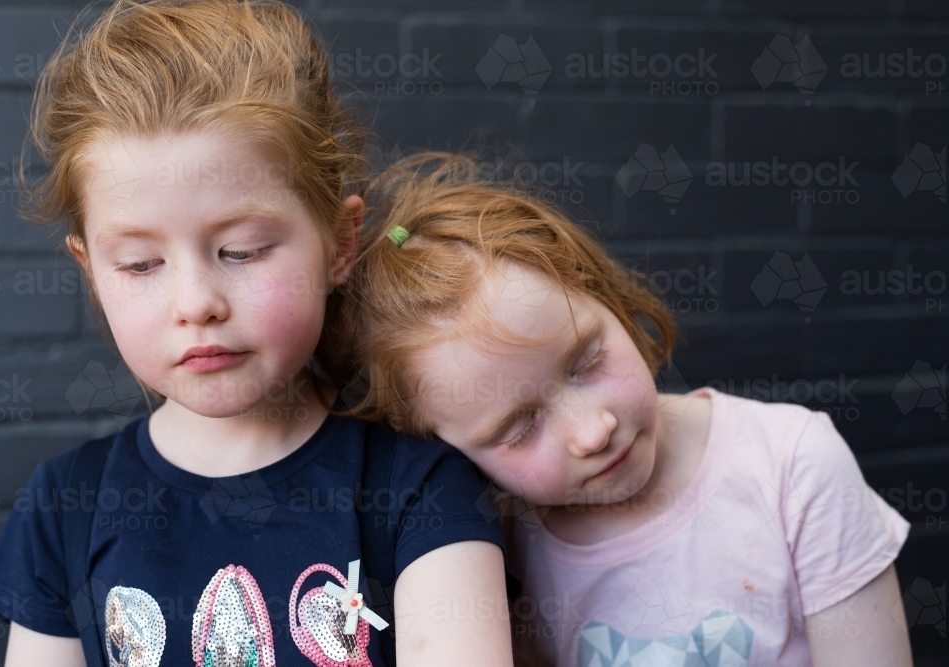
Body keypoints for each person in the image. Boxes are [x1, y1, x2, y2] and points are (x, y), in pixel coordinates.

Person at [0, 3, 513, 667]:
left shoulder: (422, 492)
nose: (196, 303)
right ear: (92, 271)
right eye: (140, 264)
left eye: (244, 250)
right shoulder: (63, 508)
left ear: (339, 242)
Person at [322, 151, 915, 667]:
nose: (593, 430)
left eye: (585, 362)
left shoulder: (793, 466)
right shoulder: (489, 551)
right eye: (521, 427)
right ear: (444, 451)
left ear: (602, 290)